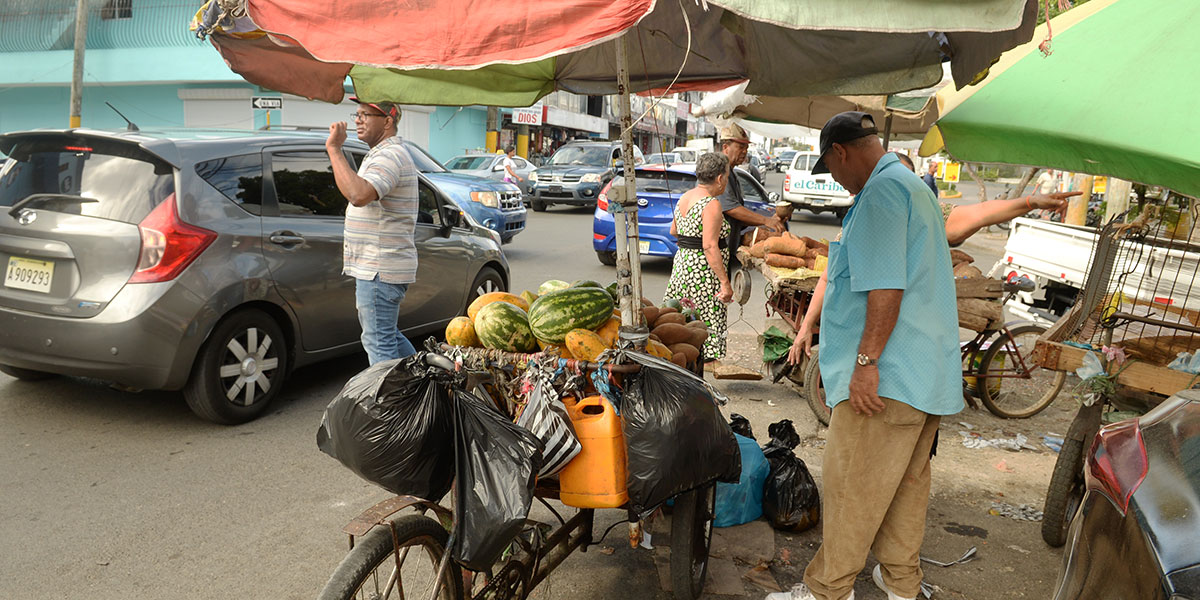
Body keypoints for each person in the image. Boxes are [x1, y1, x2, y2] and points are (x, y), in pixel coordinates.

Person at [783, 112, 965, 600]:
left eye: (832, 169)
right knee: (904, 487)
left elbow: (886, 288)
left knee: (852, 487)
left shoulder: (883, 193)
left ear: (840, 152)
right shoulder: (910, 186)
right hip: (919, 376)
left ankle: (827, 591)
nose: (837, 182)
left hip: (887, 376)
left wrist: (865, 365)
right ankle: (902, 585)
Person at [787, 154, 1080, 363]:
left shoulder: (926, 216)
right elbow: (829, 276)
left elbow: (978, 213)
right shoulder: (859, 223)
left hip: (902, 357)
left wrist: (1030, 202)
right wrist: (804, 328)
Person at [326, 98, 419, 365]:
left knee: (379, 343)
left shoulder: (389, 155)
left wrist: (334, 149)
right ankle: (426, 387)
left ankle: (393, 404)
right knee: (385, 336)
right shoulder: (382, 152)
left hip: (380, 267)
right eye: (356, 114)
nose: (357, 120)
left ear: (388, 122)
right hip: (379, 267)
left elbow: (358, 194)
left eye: (365, 115)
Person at [663, 152, 734, 362]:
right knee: (702, 329)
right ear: (720, 178)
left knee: (682, 323)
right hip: (702, 273)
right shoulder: (711, 204)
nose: (726, 182)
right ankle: (699, 376)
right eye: (727, 177)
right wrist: (725, 283)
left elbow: (673, 231)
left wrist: (689, 242)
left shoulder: (685, 197)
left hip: (683, 266)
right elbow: (710, 246)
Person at [717, 123, 785, 274]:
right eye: (740, 147)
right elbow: (731, 208)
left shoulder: (733, 173)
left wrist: (764, 227)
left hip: (725, 251)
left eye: (746, 148)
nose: (744, 152)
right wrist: (766, 220)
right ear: (725, 147)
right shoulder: (721, 172)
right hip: (715, 253)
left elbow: (736, 215)